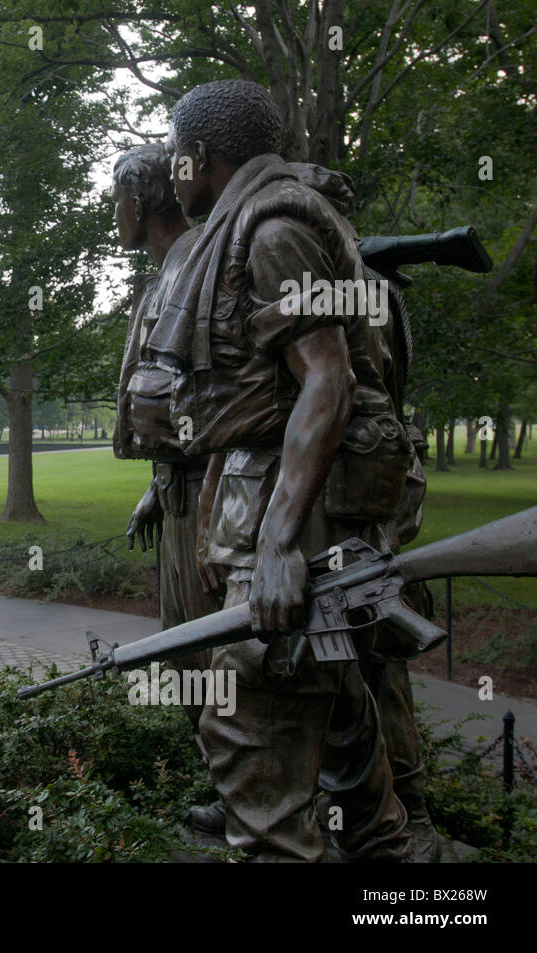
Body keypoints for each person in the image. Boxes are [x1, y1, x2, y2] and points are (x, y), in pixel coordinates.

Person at [152, 79, 410, 862]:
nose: (170, 172)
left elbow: (326, 380)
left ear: (202, 154)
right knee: (327, 697)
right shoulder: (266, 218)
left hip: (294, 504)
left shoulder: (271, 229)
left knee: (249, 713)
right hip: (278, 492)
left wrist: (276, 543)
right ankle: (399, 859)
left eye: (175, 154)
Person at [112, 143, 222, 760]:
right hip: (179, 497)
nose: (116, 214)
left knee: (213, 660)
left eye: (119, 200)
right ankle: (221, 790)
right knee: (182, 658)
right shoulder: (162, 277)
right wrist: (158, 486)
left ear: (146, 196)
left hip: (212, 503)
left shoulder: (200, 265)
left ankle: (249, 810)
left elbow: (217, 396)